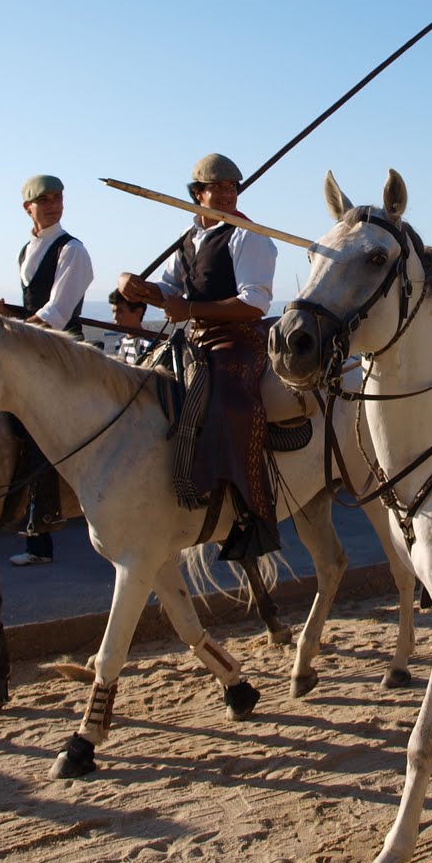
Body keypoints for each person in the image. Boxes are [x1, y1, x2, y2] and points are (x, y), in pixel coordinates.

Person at [117, 153, 280, 560]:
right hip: (195, 337)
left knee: (229, 402)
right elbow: (169, 289)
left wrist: (190, 310)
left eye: (232, 188)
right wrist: (137, 287)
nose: (227, 194)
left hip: (238, 339)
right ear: (197, 194)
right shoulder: (188, 240)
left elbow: (254, 303)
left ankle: (251, 511)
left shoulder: (249, 236)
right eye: (218, 188)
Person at [0, 173, 95, 566]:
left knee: (38, 435)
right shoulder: (26, 251)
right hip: (37, 352)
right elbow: (37, 308)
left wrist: (7, 329)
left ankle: (41, 532)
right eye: (45, 199)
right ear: (27, 207)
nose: (54, 204)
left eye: (59, 198)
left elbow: (56, 314)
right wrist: (8, 314)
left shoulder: (73, 251)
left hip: (65, 357)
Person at [107, 288, 158, 365]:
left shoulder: (148, 345)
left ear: (138, 312)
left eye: (120, 312)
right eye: (113, 312)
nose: (115, 317)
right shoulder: (120, 343)